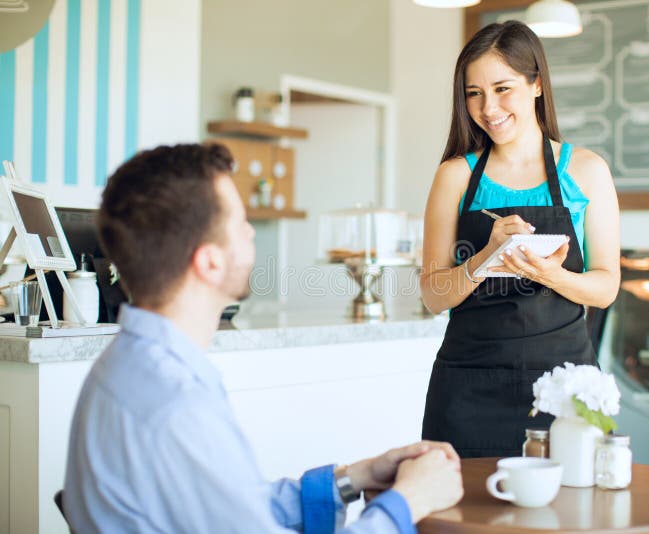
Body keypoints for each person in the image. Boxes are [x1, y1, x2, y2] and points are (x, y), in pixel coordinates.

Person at [63, 143, 463, 533]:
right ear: (209, 261)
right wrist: (409, 502)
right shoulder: (175, 404)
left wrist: (355, 477)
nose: (251, 232)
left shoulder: (132, 365)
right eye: (240, 222)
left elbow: (237, 508)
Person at [420, 21, 620, 458]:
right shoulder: (455, 175)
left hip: (562, 386)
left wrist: (550, 274)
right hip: (466, 388)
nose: (487, 107)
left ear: (537, 85)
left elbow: (605, 288)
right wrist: (487, 257)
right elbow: (433, 296)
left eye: (502, 88)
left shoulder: (586, 170)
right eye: (474, 93)